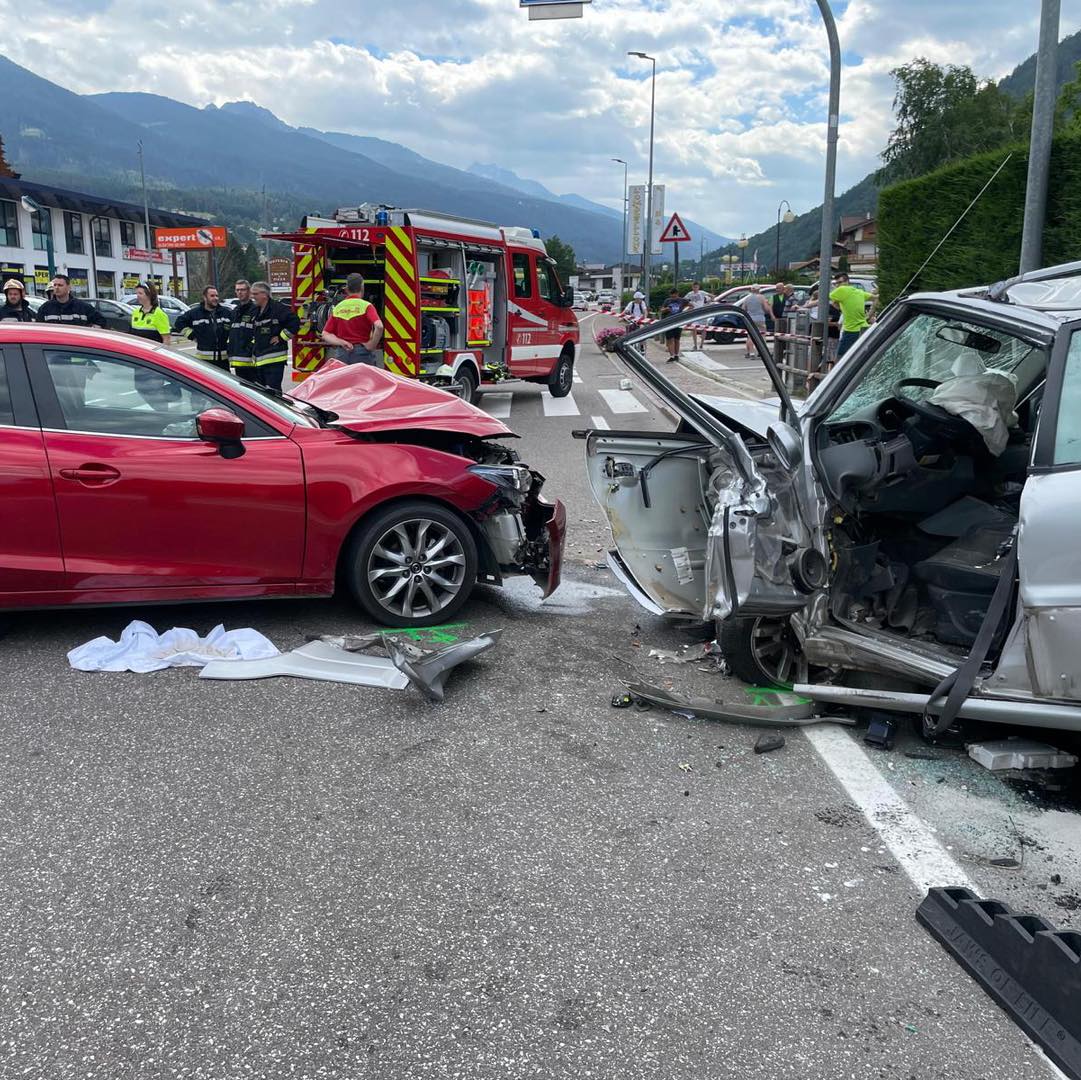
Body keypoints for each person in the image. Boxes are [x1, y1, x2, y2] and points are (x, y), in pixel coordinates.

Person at [238, 280, 300, 389]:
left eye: (255, 294)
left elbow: (294, 323)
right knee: (261, 393)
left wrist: (281, 338)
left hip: (274, 361)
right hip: (258, 361)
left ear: (264, 295)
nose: (253, 297)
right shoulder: (255, 310)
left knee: (273, 392)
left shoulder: (278, 309)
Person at [320, 272, 384, 365]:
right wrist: (371, 345)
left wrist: (341, 342)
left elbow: (325, 334)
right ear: (362, 287)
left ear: (347, 289)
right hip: (362, 354)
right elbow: (379, 326)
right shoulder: (366, 306)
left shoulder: (338, 307)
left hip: (342, 354)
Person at [174, 285, 232, 370]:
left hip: (223, 361)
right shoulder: (195, 313)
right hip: (204, 361)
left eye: (216, 296)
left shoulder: (226, 313)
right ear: (204, 297)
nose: (215, 298)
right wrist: (192, 335)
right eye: (212, 296)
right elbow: (179, 323)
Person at [36, 274, 107, 328]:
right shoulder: (45, 308)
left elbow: (101, 322)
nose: (56, 288)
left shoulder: (82, 307)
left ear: (69, 287)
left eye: (60, 285)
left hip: (77, 345)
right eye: (55, 285)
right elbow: (39, 329)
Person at [829, 273, 873, 358]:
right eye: (836, 283)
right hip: (864, 327)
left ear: (847, 282)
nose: (838, 285)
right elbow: (875, 297)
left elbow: (827, 297)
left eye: (839, 282)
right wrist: (869, 315)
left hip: (851, 330)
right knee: (860, 355)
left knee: (841, 357)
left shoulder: (841, 290)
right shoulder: (859, 292)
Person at [227, 278, 257, 372]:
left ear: (249, 291)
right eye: (237, 290)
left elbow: (260, 333)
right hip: (238, 361)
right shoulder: (235, 311)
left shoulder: (256, 309)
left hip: (252, 361)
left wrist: (250, 348)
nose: (240, 292)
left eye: (243, 290)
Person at [739, 286, 770, 356]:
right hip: (760, 318)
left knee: (750, 336)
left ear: (751, 290)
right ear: (758, 290)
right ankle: (762, 352)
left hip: (750, 318)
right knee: (762, 335)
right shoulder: (761, 297)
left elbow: (743, 309)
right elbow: (766, 308)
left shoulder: (747, 298)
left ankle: (751, 352)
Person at [659, 288, 688, 362]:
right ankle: (672, 356)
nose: (673, 298)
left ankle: (676, 355)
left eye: (675, 296)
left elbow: (691, 306)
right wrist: (666, 309)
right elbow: (661, 310)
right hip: (669, 322)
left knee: (677, 339)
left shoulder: (682, 300)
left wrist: (685, 311)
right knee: (670, 339)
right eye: (672, 296)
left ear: (677, 294)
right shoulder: (667, 301)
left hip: (678, 322)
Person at [684, 280, 710, 351]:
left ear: (698, 287)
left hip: (702, 312)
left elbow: (712, 296)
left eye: (696, 287)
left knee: (704, 329)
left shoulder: (702, 293)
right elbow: (684, 300)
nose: (695, 288)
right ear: (692, 287)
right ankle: (695, 345)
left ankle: (701, 344)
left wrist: (708, 303)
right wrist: (689, 306)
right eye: (694, 287)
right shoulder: (690, 294)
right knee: (694, 328)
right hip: (694, 313)